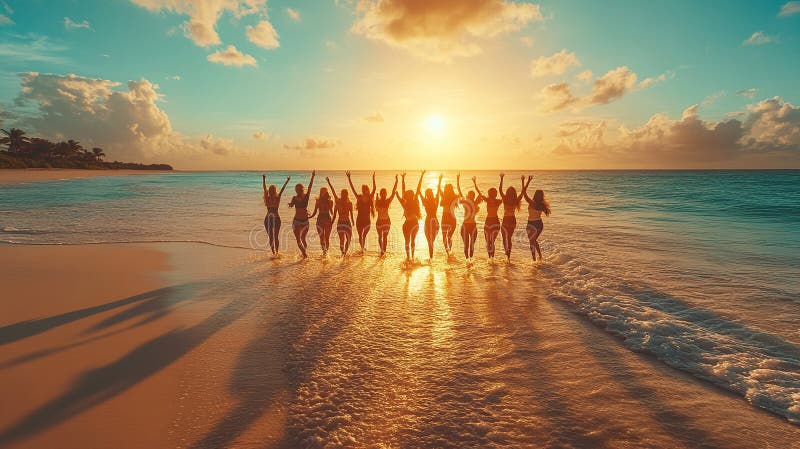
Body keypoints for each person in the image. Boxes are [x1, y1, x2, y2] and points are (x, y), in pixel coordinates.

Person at [472, 175, 503, 259]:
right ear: (495, 194)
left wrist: (475, 183)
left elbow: (479, 193)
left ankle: (490, 258)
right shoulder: (498, 201)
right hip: (495, 221)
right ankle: (492, 258)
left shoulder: (488, 200)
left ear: (489, 193)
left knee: (488, 241)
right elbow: (502, 193)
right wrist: (501, 179)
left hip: (489, 221)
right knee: (491, 241)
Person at [347, 171, 376, 253]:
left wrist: (373, 178)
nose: (365, 190)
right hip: (359, 220)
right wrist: (349, 179)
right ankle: (362, 249)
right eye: (363, 189)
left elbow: (374, 188)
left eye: (366, 189)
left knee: (364, 236)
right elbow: (353, 189)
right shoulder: (359, 197)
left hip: (367, 220)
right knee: (360, 236)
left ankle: (362, 248)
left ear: (367, 190)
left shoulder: (370, 197)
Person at [288, 170, 316, 258]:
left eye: (297, 189)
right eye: (297, 189)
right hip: (300, 221)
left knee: (300, 239)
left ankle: (304, 254)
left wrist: (312, 177)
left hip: (300, 221)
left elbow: (310, 186)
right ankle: (304, 254)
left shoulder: (303, 196)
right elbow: (291, 205)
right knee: (301, 239)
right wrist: (312, 176)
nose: (297, 190)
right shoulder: (297, 197)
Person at [523, 176, 551, 261]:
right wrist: (527, 181)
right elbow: (547, 212)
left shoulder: (531, 203)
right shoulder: (541, 205)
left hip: (531, 224)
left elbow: (524, 193)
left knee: (532, 241)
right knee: (533, 241)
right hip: (538, 224)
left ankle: (535, 258)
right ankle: (539, 257)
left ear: (535, 195)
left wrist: (526, 181)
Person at [398, 171, 424, 260]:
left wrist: (421, 176)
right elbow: (403, 190)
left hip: (414, 223)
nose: (407, 196)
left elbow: (418, 188)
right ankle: (409, 257)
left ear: (411, 196)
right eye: (407, 195)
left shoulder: (414, 201)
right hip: (407, 224)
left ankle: (411, 257)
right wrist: (402, 179)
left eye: (409, 195)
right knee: (408, 241)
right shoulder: (405, 202)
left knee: (411, 241)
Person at [499, 173, 525, 261]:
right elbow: (523, 192)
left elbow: (500, 190)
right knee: (508, 238)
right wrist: (523, 181)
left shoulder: (505, 199)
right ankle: (508, 255)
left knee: (504, 237)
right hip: (512, 220)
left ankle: (507, 252)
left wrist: (501, 179)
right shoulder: (515, 200)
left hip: (506, 220)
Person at [262, 174, 290, 255]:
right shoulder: (270, 198)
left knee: (274, 237)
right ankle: (275, 253)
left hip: (272, 219)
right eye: (271, 189)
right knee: (273, 237)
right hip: (271, 219)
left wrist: (287, 181)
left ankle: (275, 253)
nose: (271, 191)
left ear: (273, 191)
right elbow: (265, 188)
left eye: (272, 190)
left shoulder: (274, 198)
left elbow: (282, 189)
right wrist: (263, 179)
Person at [327, 177, 355, 256]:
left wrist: (332, 223)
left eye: (344, 194)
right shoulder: (346, 203)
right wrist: (353, 221)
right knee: (346, 239)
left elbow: (351, 214)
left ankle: (343, 253)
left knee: (344, 240)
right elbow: (350, 214)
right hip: (346, 223)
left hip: (342, 223)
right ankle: (344, 253)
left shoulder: (342, 202)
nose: (344, 195)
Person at [456, 174, 480, 260]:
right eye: (471, 195)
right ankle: (469, 260)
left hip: (468, 225)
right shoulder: (472, 203)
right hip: (470, 225)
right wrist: (475, 183)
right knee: (469, 245)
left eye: (471, 195)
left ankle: (468, 261)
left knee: (468, 245)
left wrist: (458, 180)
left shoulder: (467, 203)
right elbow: (480, 194)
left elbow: (459, 192)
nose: (471, 196)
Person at [375, 175, 399, 256]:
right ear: (381, 194)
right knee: (380, 236)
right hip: (380, 221)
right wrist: (376, 198)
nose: (383, 194)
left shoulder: (387, 201)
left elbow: (393, 192)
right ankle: (382, 250)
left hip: (386, 221)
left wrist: (396, 181)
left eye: (384, 193)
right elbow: (376, 207)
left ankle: (383, 251)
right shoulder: (378, 201)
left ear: (385, 194)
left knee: (385, 237)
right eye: (382, 193)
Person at [421, 174, 443, 260]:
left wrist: (421, 176)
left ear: (427, 194)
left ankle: (431, 259)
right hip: (435, 221)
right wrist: (439, 180)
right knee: (432, 242)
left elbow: (418, 191)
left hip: (428, 221)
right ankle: (431, 258)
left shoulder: (425, 201)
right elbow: (438, 190)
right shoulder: (435, 200)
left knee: (429, 242)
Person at [309, 187, 335, 256]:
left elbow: (331, 212)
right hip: (324, 219)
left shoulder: (326, 201)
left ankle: (325, 253)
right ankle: (325, 252)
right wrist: (309, 217)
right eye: (323, 191)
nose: (324, 193)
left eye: (324, 192)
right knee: (323, 237)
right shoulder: (326, 201)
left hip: (323, 219)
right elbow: (331, 212)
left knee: (325, 238)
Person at [440, 178, 460, 255]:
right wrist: (439, 180)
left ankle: (449, 252)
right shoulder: (445, 196)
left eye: (446, 188)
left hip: (447, 217)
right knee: (447, 236)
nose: (445, 190)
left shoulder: (453, 197)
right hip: (449, 217)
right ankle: (448, 252)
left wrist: (457, 181)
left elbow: (460, 193)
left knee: (447, 236)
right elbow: (439, 189)